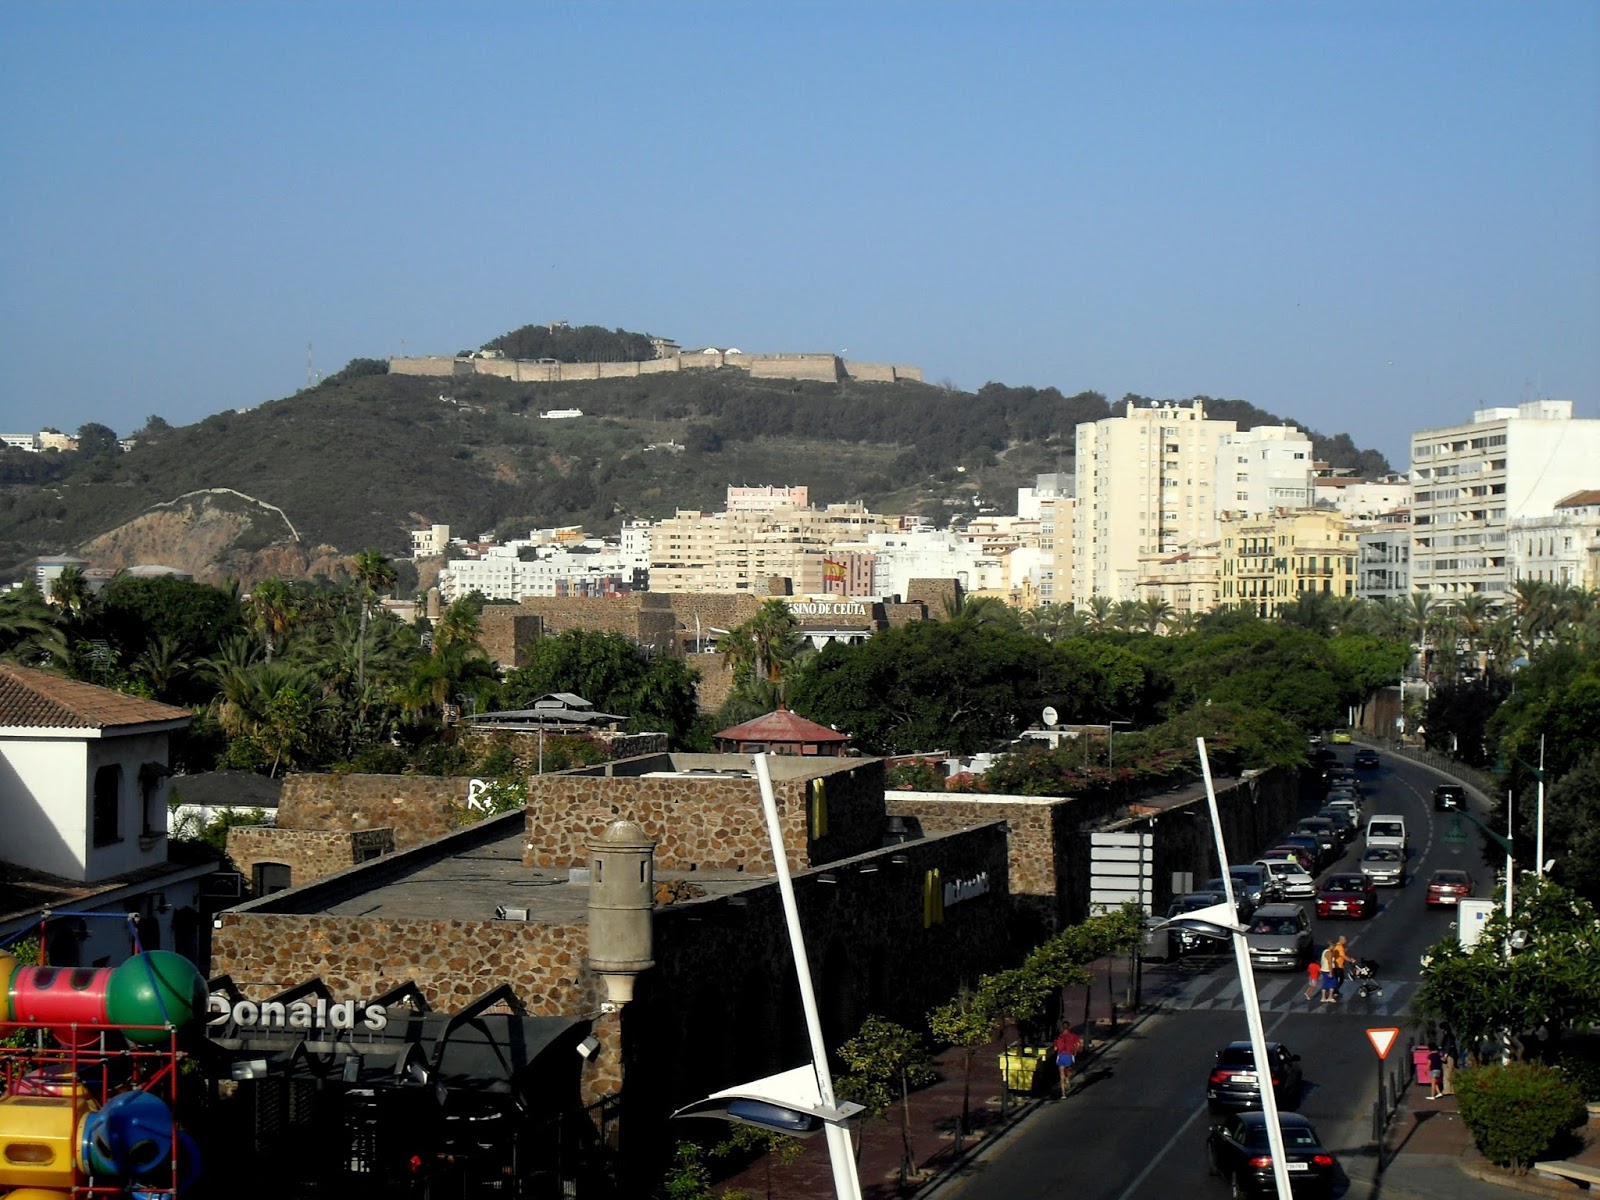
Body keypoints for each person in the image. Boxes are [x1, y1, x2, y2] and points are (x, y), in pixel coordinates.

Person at [1054, 1026, 1083, 1098]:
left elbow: (1055, 1048)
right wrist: (1075, 1053)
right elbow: (1078, 1045)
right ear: (1069, 1027)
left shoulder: (1059, 1037)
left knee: (1061, 1075)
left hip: (1061, 1056)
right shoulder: (1073, 1036)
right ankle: (1067, 1080)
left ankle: (1063, 1093)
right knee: (1070, 1071)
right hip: (1069, 1055)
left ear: (1062, 1028)